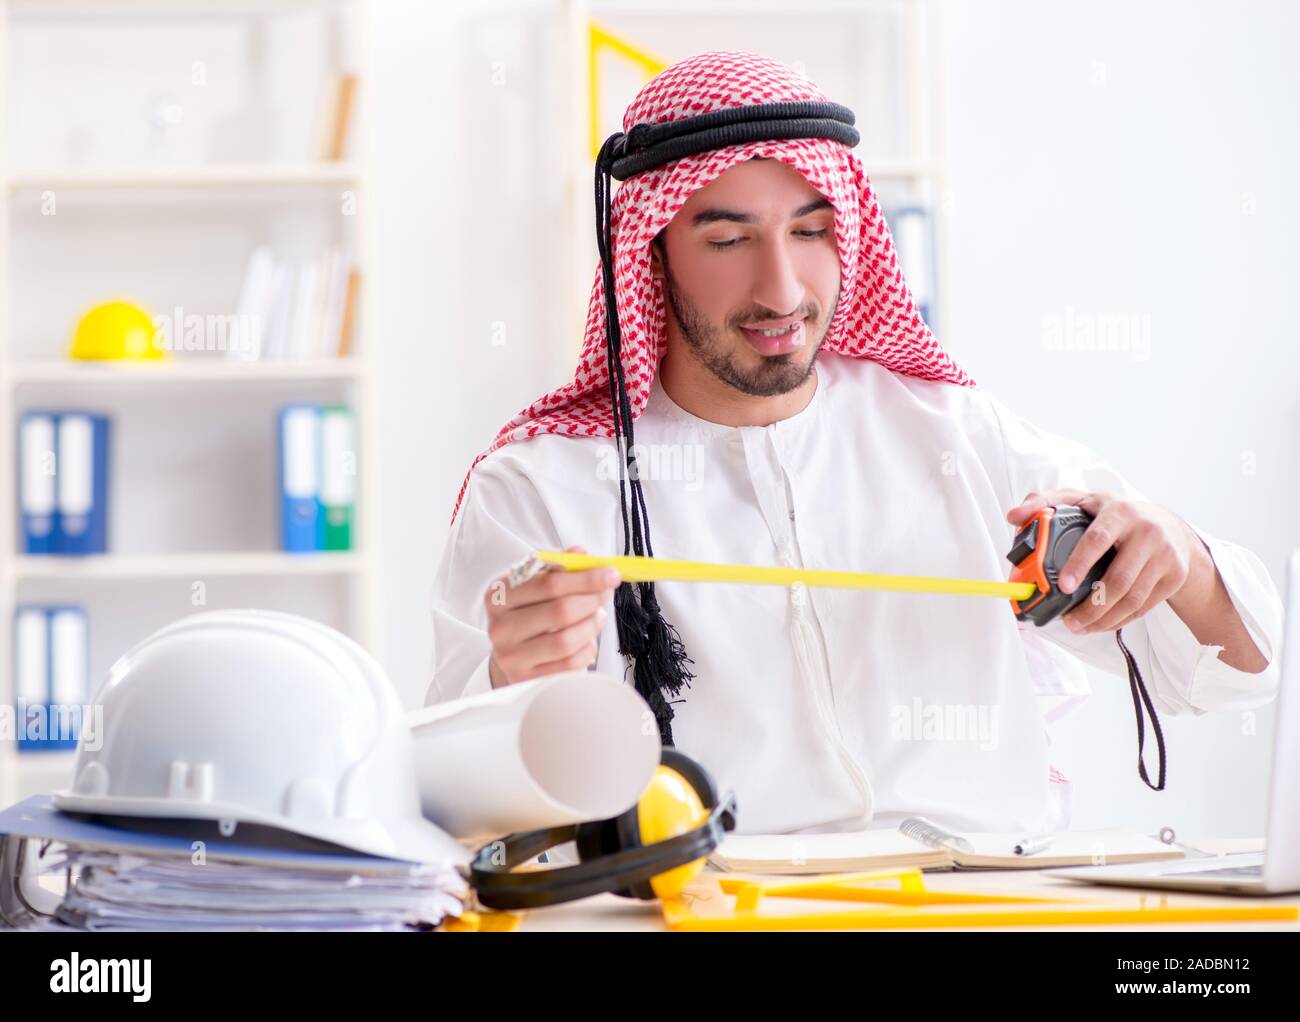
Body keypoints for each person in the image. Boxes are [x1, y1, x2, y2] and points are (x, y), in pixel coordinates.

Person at [425, 51, 1280, 835]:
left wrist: (1180, 556)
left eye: (812, 232)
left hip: (982, 906)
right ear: (650, 254)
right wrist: (513, 688)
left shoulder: (953, 434)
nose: (783, 288)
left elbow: (1236, 672)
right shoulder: (539, 489)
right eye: (728, 240)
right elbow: (451, 805)